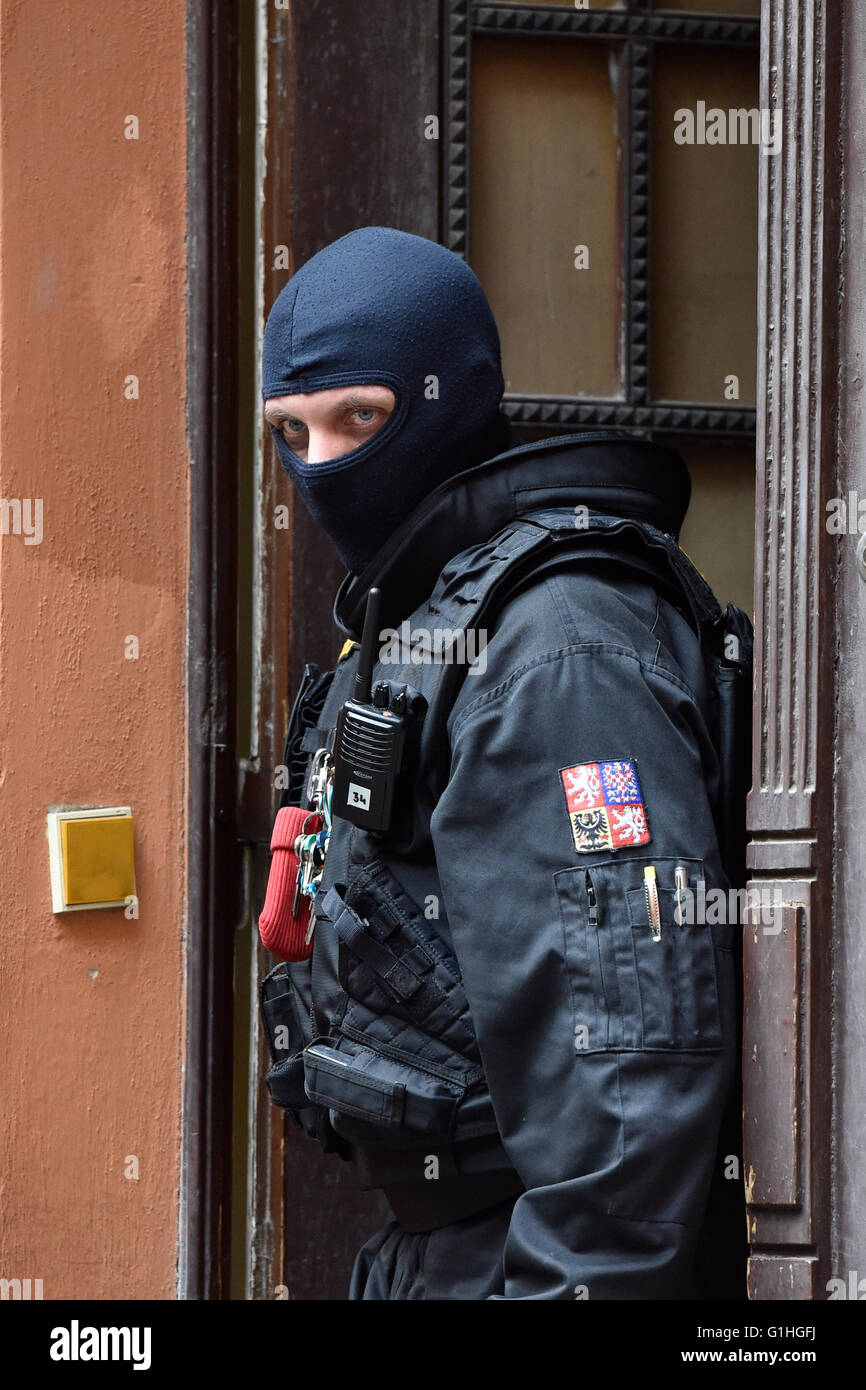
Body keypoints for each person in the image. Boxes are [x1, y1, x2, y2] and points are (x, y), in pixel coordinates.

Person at [258, 225, 749, 1301]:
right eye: (291, 431)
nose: (323, 467)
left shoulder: (560, 647)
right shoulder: (430, 614)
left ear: (452, 395)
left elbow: (632, 1076)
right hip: (440, 1256)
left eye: (359, 419)